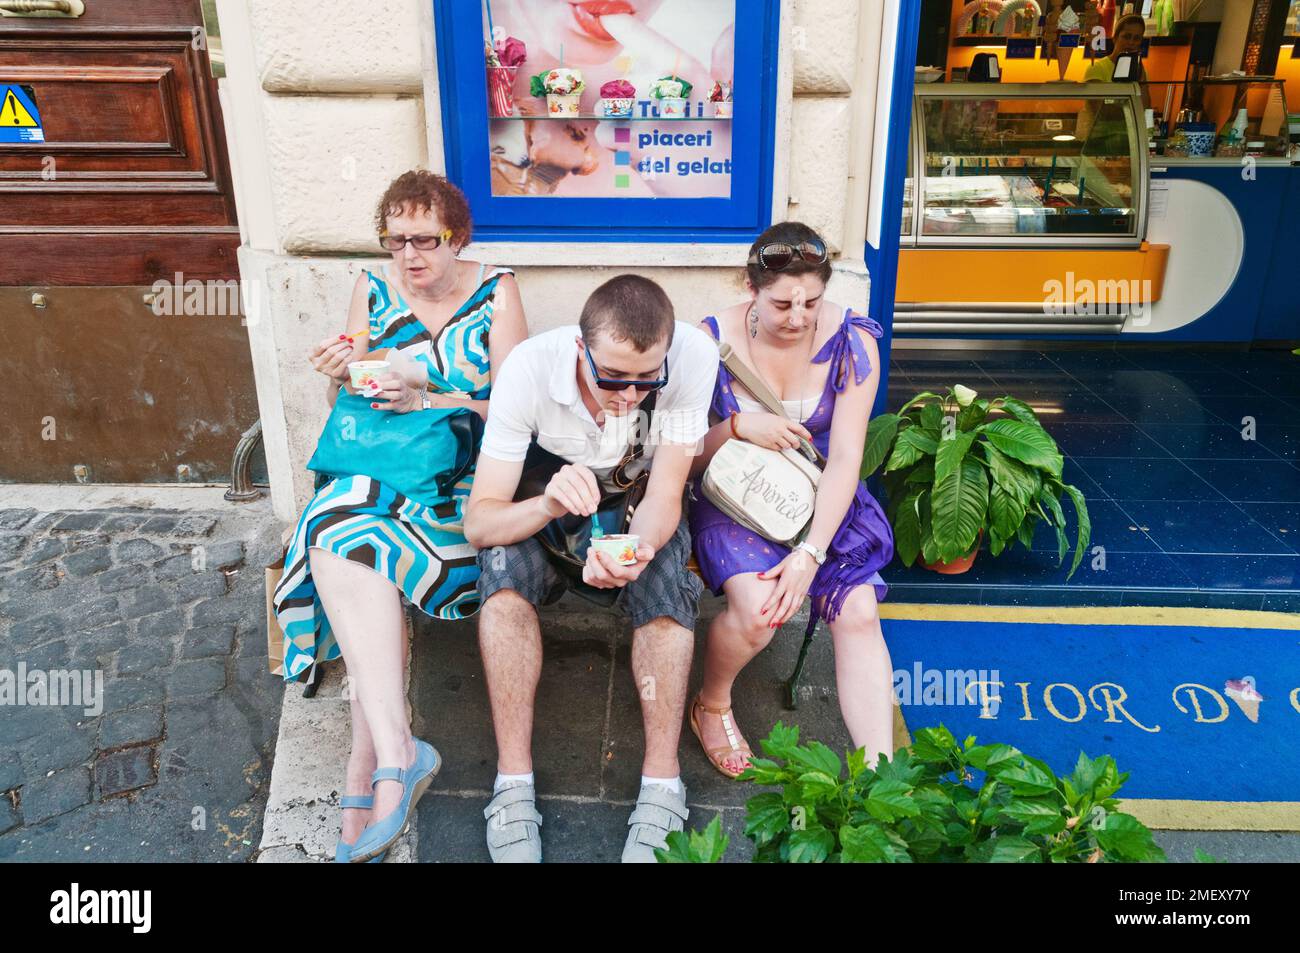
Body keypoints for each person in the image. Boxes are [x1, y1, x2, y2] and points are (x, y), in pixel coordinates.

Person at [274, 170, 527, 863]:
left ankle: (370, 765)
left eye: (425, 240)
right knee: (333, 522)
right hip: (379, 476)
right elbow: (346, 407)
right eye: (397, 242)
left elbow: (514, 415)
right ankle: (393, 753)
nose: (410, 256)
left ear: (457, 237)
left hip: (462, 493)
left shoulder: (497, 291)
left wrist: (430, 394)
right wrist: (335, 372)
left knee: (342, 531)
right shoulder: (373, 289)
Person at [463, 274, 716, 863]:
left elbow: (666, 494)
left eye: (646, 380)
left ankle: (662, 785)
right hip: (544, 498)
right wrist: (548, 503)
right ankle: (512, 785)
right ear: (581, 350)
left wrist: (637, 551)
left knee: (669, 594)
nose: (630, 395)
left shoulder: (692, 356)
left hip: (636, 503)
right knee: (501, 588)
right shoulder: (529, 370)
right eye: (613, 379)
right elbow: (480, 522)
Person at [686, 221, 896, 778]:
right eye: (781, 304)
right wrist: (735, 425)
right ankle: (712, 702)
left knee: (859, 609)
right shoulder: (708, 342)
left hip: (821, 495)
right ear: (750, 288)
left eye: (811, 302)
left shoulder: (854, 341)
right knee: (761, 611)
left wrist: (811, 554)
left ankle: (881, 782)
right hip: (737, 494)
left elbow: (847, 457)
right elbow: (681, 454)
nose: (798, 318)